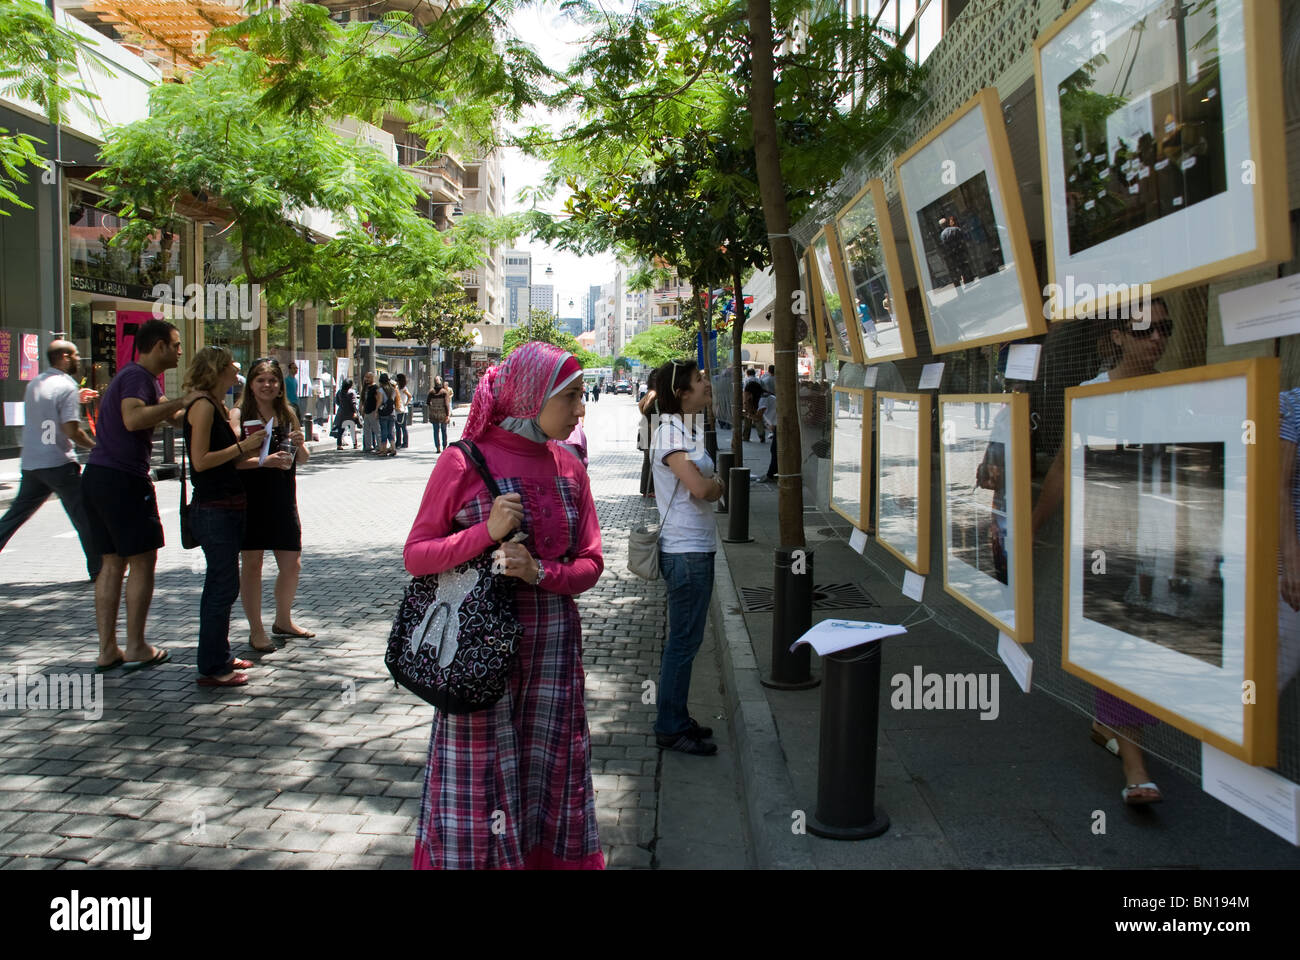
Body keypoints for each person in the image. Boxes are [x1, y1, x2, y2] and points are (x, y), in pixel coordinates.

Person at [405, 342, 604, 869]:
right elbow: (417, 556)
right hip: (477, 654)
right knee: (481, 772)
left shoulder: (570, 466)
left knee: (550, 769)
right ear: (532, 395)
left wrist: (541, 572)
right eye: (573, 397)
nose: (581, 410)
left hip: (553, 652)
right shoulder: (461, 461)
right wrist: (483, 534)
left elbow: (592, 562)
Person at [1032, 298, 1171, 805]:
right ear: (1116, 335)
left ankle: (1106, 723)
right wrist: (1032, 526)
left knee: (1148, 643)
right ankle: (1135, 768)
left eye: (1164, 329)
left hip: (1159, 540)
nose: (1156, 339)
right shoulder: (1090, 396)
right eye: (1144, 329)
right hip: (1106, 542)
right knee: (1122, 646)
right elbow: (1065, 468)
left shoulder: (1177, 391)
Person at [82, 320, 201, 673]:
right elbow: (134, 419)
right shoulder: (136, 377)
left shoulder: (143, 379)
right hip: (123, 479)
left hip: (100, 476)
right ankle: (135, 646)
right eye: (177, 345)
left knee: (112, 561)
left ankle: (108, 650)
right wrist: (184, 400)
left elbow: (173, 416)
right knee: (143, 559)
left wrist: (198, 406)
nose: (180, 352)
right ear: (160, 345)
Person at [649, 358, 723, 756]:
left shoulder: (683, 429)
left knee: (686, 640)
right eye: (698, 380)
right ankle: (670, 726)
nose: (705, 383)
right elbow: (698, 488)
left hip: (694, 548)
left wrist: (712, 485)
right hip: (686, 551)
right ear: (681, 393)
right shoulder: (669, 434)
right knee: (683, 642)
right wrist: (717, 487)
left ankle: (675, 715)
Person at [183, 347, 262, 688]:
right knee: (220, 586)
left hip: (227, 506)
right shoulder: (202, 406)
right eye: (232, 366)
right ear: (217, 370)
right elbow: (201, 460)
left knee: (224, 585)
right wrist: (244, 447)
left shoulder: (215, 404)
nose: (237, 371)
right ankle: (213, 664)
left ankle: (220, 653)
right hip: (214, 508)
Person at [231, 357, 313, 653]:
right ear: (250, 384)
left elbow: (301, 459)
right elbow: (233, 461)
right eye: (261, 380)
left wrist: (301, 442)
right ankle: (256, 630)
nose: (267, 385)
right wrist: (264, 461)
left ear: (280, 386)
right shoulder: (239, 414)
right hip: (251, 498)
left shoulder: (287, 413)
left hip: (282, 497)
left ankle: (283, 620)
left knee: (292, 564)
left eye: (273, 380)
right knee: (252, 565)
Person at [0, 339, 100, 580]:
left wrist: (76, 396)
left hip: (32, 461)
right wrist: (98, 446)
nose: (79, 359)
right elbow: (72, 431)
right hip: (58, 462)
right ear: (64, 357)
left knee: (15, 515)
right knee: (84, 515)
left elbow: (48, 406)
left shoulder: (36, 383)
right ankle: (99, 568)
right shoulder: (66, 386)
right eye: (75, 355)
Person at [638, 371, 658, 498]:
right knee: (650, 459)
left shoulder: (650, 392)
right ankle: (648, 489)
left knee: (649, 458)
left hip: (647, 427)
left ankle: (646, 488)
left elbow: (640, 406)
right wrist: (650, 418)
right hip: (650, 428)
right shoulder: (653, 393)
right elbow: (644, 408)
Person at [757, 383, 778, 483]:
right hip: (777, 425)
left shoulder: (763, 398)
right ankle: (773, 473)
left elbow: (758, 415)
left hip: (781, 425)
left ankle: (771, 474)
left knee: (775, 450)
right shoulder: (765, 397)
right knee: (775, 450)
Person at [332, 377, 360, 450]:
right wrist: (355, 412)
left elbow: (337, 401)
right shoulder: (351, 392)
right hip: (350, 414)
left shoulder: (339, 392)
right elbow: (353, 403)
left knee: (340, 430)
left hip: (341, 413)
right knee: (352, 430)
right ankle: (355, 444)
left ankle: (339, 445)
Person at [426, 376, 452, 452]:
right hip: (443, 414)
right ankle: (444, 446)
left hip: (434, 414)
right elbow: (447, 404)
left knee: (436, 431)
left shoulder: (431, 392)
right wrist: (447, 415)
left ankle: (437, 447)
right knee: (444, 430)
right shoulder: (444, 392)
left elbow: (427, 402)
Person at [377, 372, 398, 456]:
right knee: (391, 431)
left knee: (384, 431)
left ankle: (383, 449)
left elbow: (379, 402)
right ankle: (393, 448)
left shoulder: (380, 390)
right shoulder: (393, 390)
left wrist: (376, 410)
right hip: (392, 412)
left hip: (384, 413)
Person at [743, 367, 766, 443]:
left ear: (747, 374)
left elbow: (745, 392)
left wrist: (745, 403)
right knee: (758, 418)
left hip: (750, 401)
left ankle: (746, 436)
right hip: (758, 401)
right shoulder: (759, 380)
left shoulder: (746, 380)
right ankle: (761, 435)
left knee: (748, 418)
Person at [361, 371, 381, 453]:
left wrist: (377, 410)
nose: (366, 379)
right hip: (366, 411)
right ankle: (368, 446)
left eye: (368, 377)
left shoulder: (375, 388)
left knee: (377, 430)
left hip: (373, 411)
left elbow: (378, 399)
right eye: (366, 377)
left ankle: (380, 446)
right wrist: (362, 408)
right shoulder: (365, 387)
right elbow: (363, 399)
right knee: (366, 430)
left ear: (373, 378)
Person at [394, 373, 412, 449]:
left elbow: (409, 396)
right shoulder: (397, 388)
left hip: (403, 410)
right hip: (397, 409)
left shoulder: (404, 388)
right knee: (397, 427)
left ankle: (405, 442)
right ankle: (398, 442)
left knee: (403, 427)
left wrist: (406, 404)